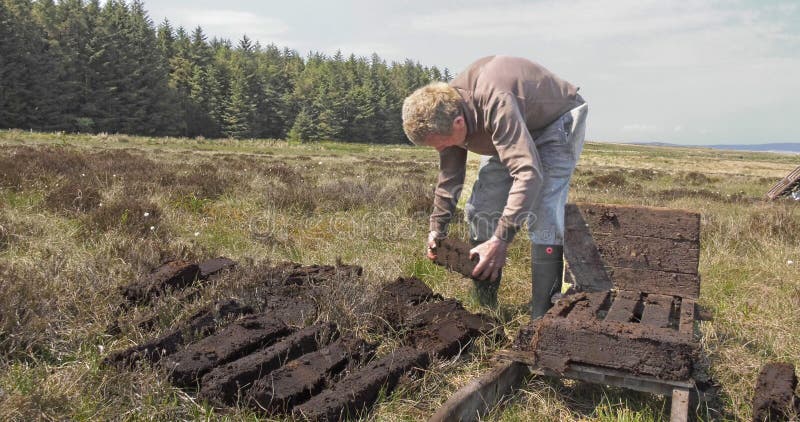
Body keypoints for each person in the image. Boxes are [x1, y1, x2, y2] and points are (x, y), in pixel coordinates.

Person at [401, 55, 587, 317]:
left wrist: (502, 238)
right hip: (512, 130)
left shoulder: (494, 100)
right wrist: (436, 229)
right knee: (481, 208)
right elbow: (450, 176)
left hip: (554, 122)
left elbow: (527, 172)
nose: (441, 150)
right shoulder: (446, 113)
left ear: (459, 123)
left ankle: (543, 316)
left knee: (543, 213)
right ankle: (485, 303)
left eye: (441, 143)